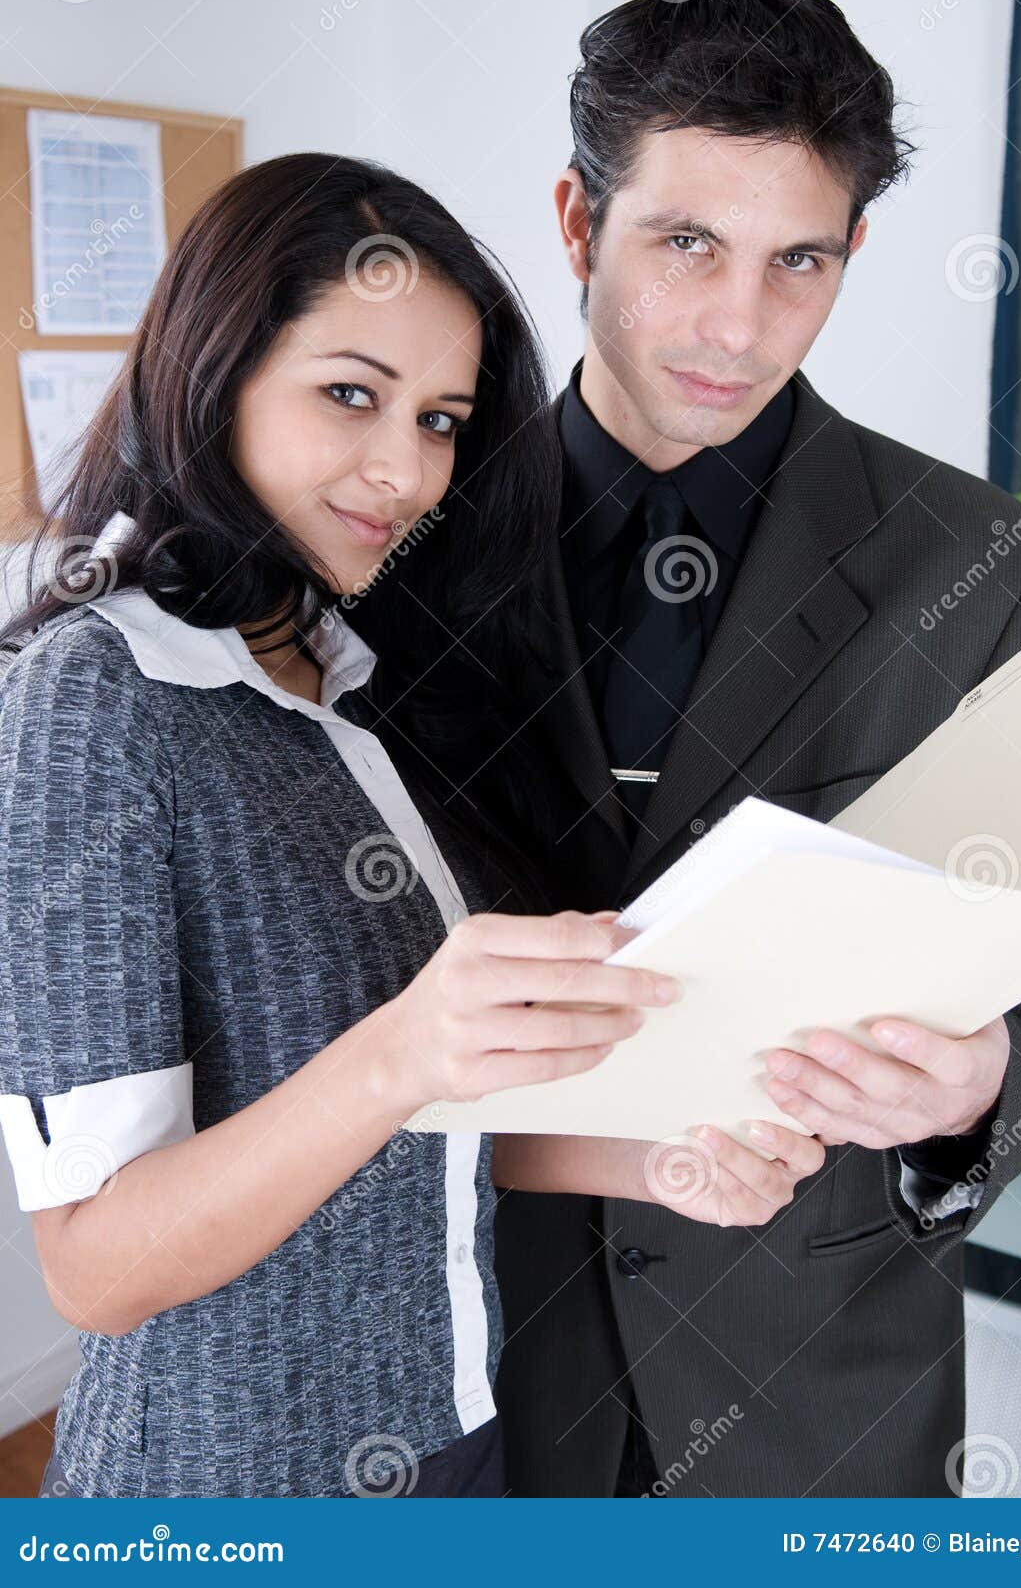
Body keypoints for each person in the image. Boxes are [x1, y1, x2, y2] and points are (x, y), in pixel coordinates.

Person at [0, 151, 701, 1499]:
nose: (405, 470)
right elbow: (94, 1262)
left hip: (454, 1431)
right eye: (350, 396)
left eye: (440, 419)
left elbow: (413, 1122)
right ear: (212, 374)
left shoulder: (354, 670)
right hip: (234, 1481)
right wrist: (401, 1046)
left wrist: (661, 1155)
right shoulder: (96, 695)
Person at [488, 0, 1021, 1498]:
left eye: (799, 259)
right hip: (459, 1386)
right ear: (575, 221)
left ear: (853, 254)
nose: (738, 327)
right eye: (686, 244)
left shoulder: (990, 565)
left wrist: (984, 1085)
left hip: (823, 1403)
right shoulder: (395, 546)